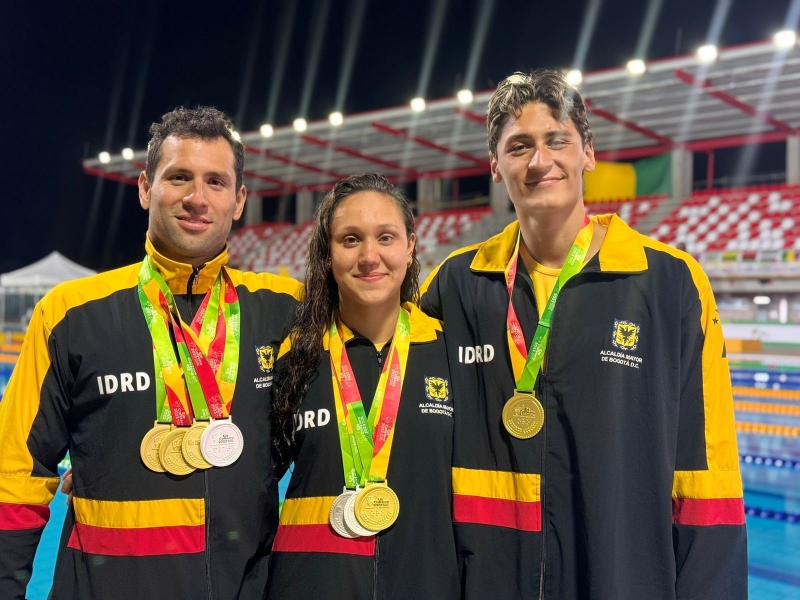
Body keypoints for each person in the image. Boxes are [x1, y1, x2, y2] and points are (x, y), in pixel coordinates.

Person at [420, 70, 747, 599]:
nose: (540, 161)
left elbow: (707, 472)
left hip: (621, 578)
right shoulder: (455, 284)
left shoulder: (670, 283)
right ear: (496, 168)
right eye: (519, 146)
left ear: (588, 153)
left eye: (557, 141)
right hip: (490, 580)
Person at [0, 106, 302, 600]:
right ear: (145, 188)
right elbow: (14, 477)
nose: (196, 198)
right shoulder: (71, 314)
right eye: (179, 177)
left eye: (216, 182)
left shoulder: (283, 308)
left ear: (240, 199)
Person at [267, 174, 459, 599]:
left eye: (385, 237)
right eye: (350, 239)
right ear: (328, 254)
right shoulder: (293, 356)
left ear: (410, 246)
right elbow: (243, 484)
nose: (369, 256)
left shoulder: (448, 352)